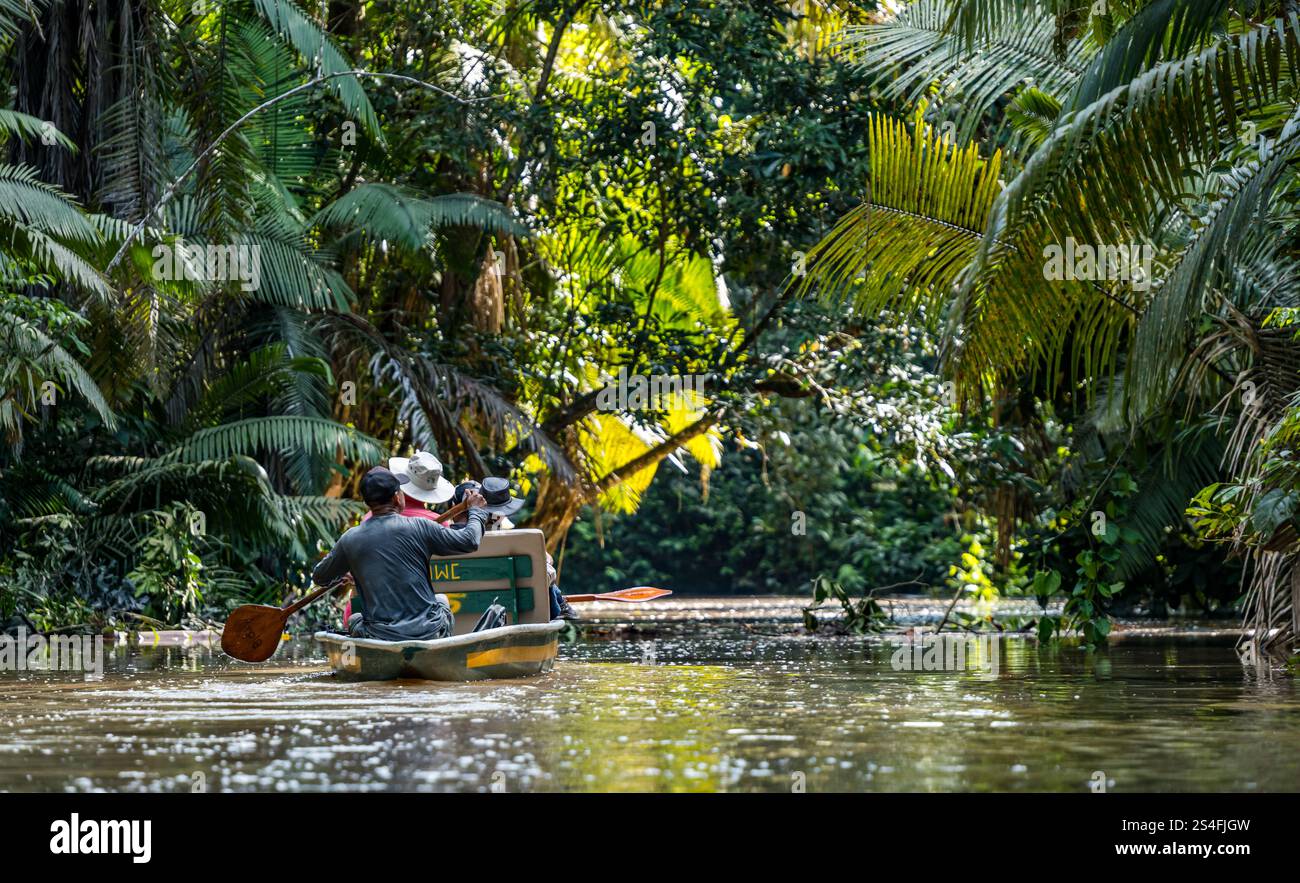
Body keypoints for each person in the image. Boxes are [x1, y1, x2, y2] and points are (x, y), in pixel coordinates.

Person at [313, 466, 490, 641]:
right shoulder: (420, 526)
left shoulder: (350, 539)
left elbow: (320, 577)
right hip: (429, 632)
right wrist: (477, 511)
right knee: (442, 600)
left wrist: (344, 570)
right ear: (397, 497)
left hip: (380, 638)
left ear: (367, 502)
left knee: (354, 619)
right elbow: (469, 541)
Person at [450, 478, 579, 621]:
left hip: (465, 607)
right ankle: (561, 603)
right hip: (513, 605)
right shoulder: (515, 541)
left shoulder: (442, 537)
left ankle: (561, 602)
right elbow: (548, 569)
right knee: (544, 571)